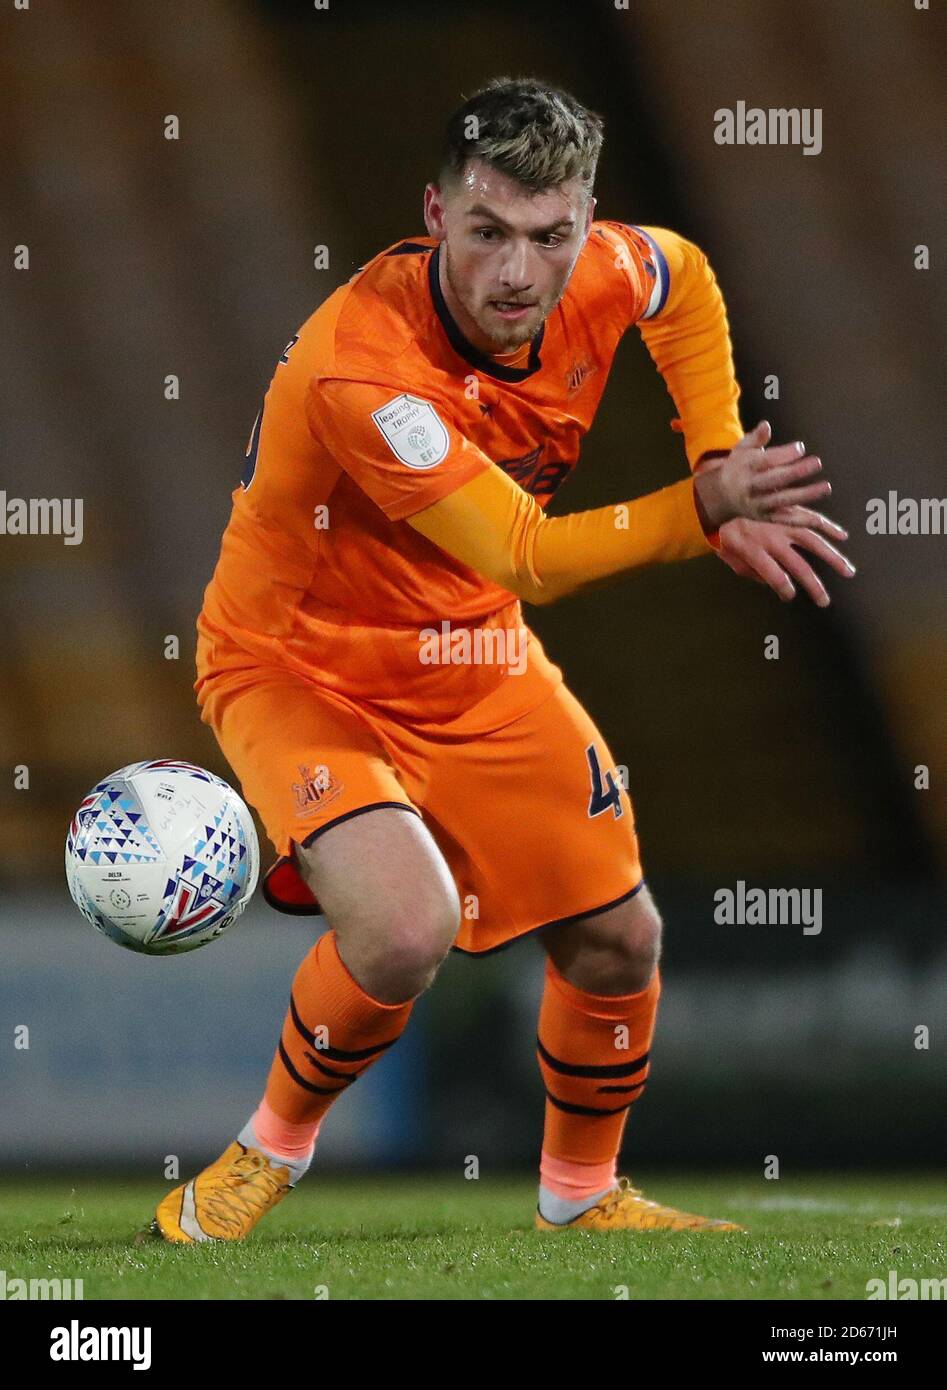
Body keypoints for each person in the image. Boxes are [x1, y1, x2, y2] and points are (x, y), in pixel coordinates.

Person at [155, 76, 853, 1243]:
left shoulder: (609, 267)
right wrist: (702, 504)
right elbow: (524, 554)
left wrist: (717, 439)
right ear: (434, 215)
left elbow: (680, 276)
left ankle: (579, 1195)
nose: (518, 273)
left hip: (470, 650)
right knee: (400, 931)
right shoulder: (362, 367)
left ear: (583, 222)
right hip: (299, 662)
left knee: (618, 936)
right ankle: (258, 1157)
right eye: (485, 233)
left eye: (549, 236)